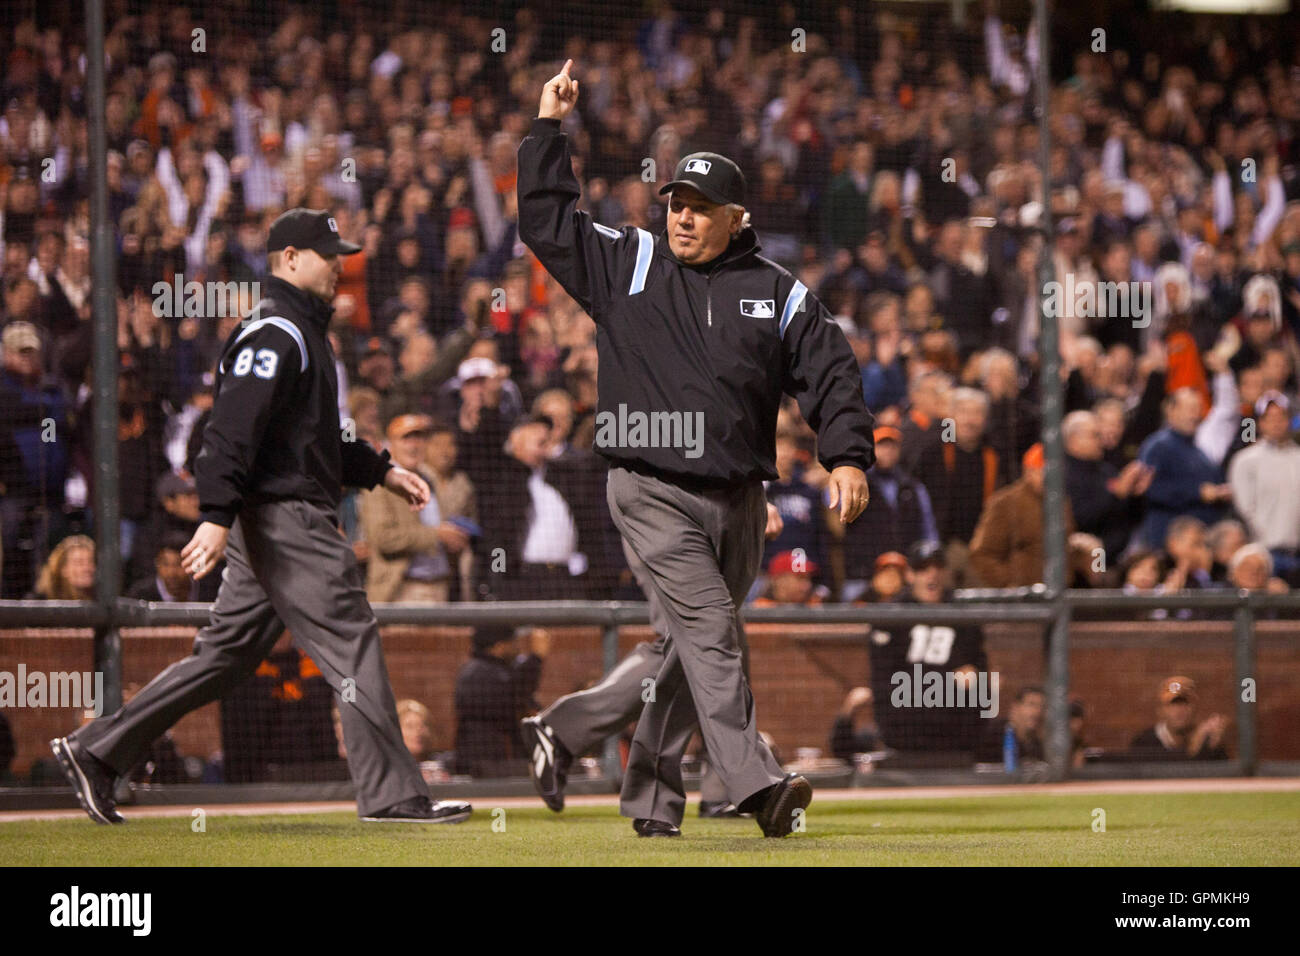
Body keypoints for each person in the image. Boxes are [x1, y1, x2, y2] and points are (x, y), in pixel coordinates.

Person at [519, 60, 875, 837]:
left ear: (737, 217)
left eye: (699, 207)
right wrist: (549, 129)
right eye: (675, 202)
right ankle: (757, 785)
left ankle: (629, 786)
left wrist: (846, 455)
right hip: (648, 487)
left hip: (741, 502)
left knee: (685, 652)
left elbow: (831, 369)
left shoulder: (778, 292)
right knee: (713, 635)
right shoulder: (631, 262)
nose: (680, 217)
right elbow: (547, 223)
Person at [50, 208, 470, 825]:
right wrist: (214, 514)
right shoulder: (276, 331)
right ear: (291, 259)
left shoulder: (301, 333)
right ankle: (393, 797)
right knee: (351, 642)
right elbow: (229, 431)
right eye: (329, 255)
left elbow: (317, 438)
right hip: (284, 519)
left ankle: (98, 749)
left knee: (225, 656)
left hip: (271, 516)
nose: (340, 266)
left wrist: (380, 470)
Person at [867, 541, 988, 759]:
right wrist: (947, 681)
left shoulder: (964, 614)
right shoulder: (891, 615)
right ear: (910, 575)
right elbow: (887, 682)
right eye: (923, 568)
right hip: (905, 727)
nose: (932, 575)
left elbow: (976, 673)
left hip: (954, 726)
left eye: (938, 567)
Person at [358, 413, 468, 602]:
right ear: (391, 444)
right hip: (402, 589)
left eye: (419, 438)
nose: (414, 445)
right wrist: (437, 535)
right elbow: (383, 538)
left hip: (440, 587)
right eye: (406, 438)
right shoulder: (379, 483)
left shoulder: (430, 479)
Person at [453, 626, 548, 778]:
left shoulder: (497, 669)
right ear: (499, 646)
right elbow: (511, 697)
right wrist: (535, 658)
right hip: (483, 763)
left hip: (496, 761)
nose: (517, 647)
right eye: (513, 642)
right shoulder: (477, 672)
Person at [1129, 676, 1228, 761]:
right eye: (1173, 704)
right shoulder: (1144, 742)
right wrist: (1194, 748)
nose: (1180, 710)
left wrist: (1214, 747)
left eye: (1185, 703)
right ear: (1160, 710)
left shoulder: (1205, 739)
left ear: (1195, 708)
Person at [29, 534, 95, 600]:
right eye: (79, 563)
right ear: (62, 568)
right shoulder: (40, 603)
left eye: (91, 561)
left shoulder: (102, 601)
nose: (87, 568)